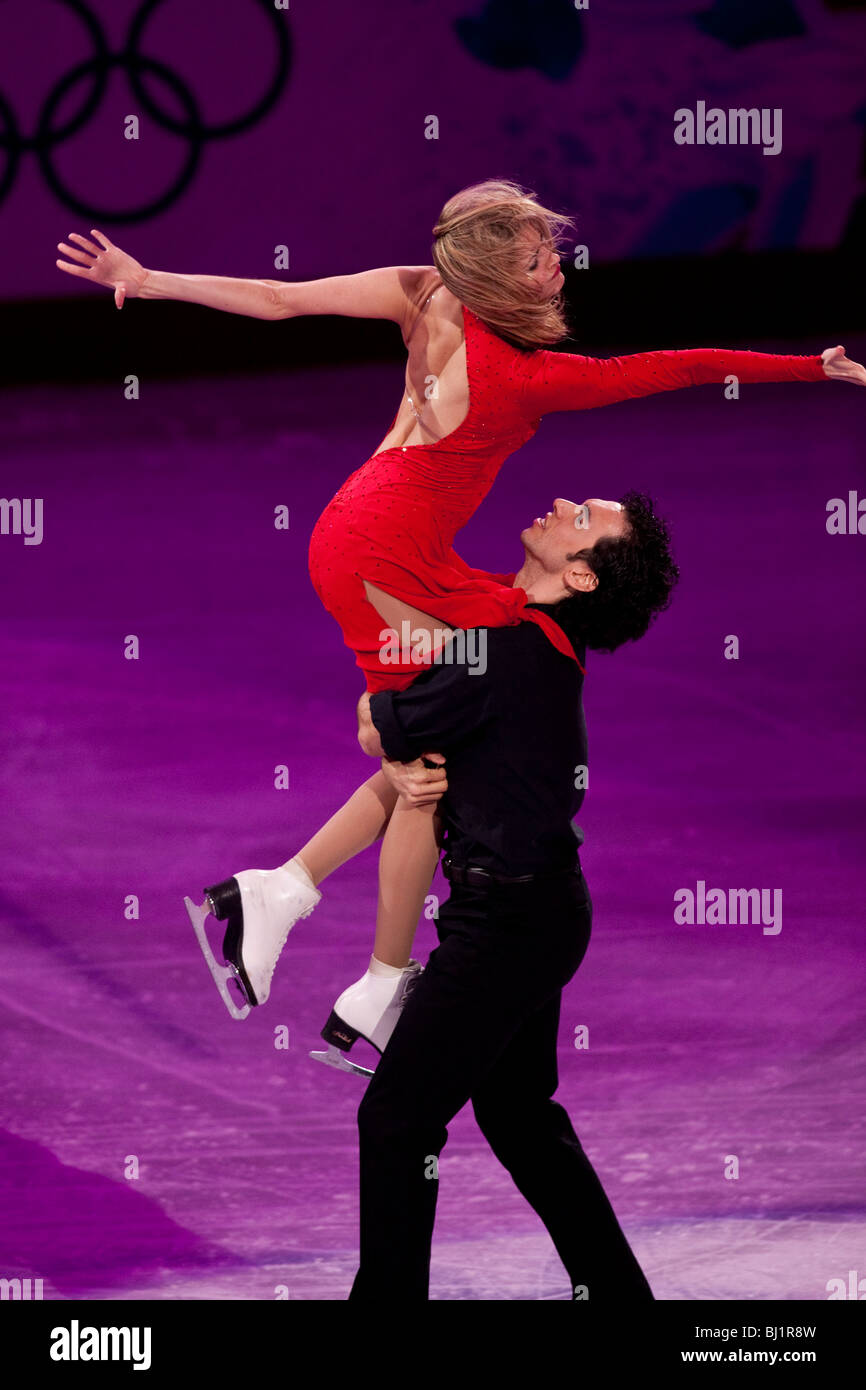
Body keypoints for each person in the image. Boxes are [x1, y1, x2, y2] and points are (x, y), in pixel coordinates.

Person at [56, 180, 866, 1049]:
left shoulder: (420, 291)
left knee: (452, 721)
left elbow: (280, 301)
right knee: (428, 757)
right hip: (383, 557)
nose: (557, 263)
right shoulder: (523, 379)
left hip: (363, 530)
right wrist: (804, 370)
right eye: (534, 258)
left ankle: (294, 902)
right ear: (496, 278)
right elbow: (670, 369)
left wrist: (149, 280)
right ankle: (363, 971)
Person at [347, 524, 658, 1300]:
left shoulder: (509, 649)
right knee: (519, 1116)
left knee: (396, 1122)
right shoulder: (536, 640)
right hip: (542, 911)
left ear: (582, 578)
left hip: (507, 924)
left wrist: (389, 718)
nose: (560, 505)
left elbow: (375, 723)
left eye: (583, 518)